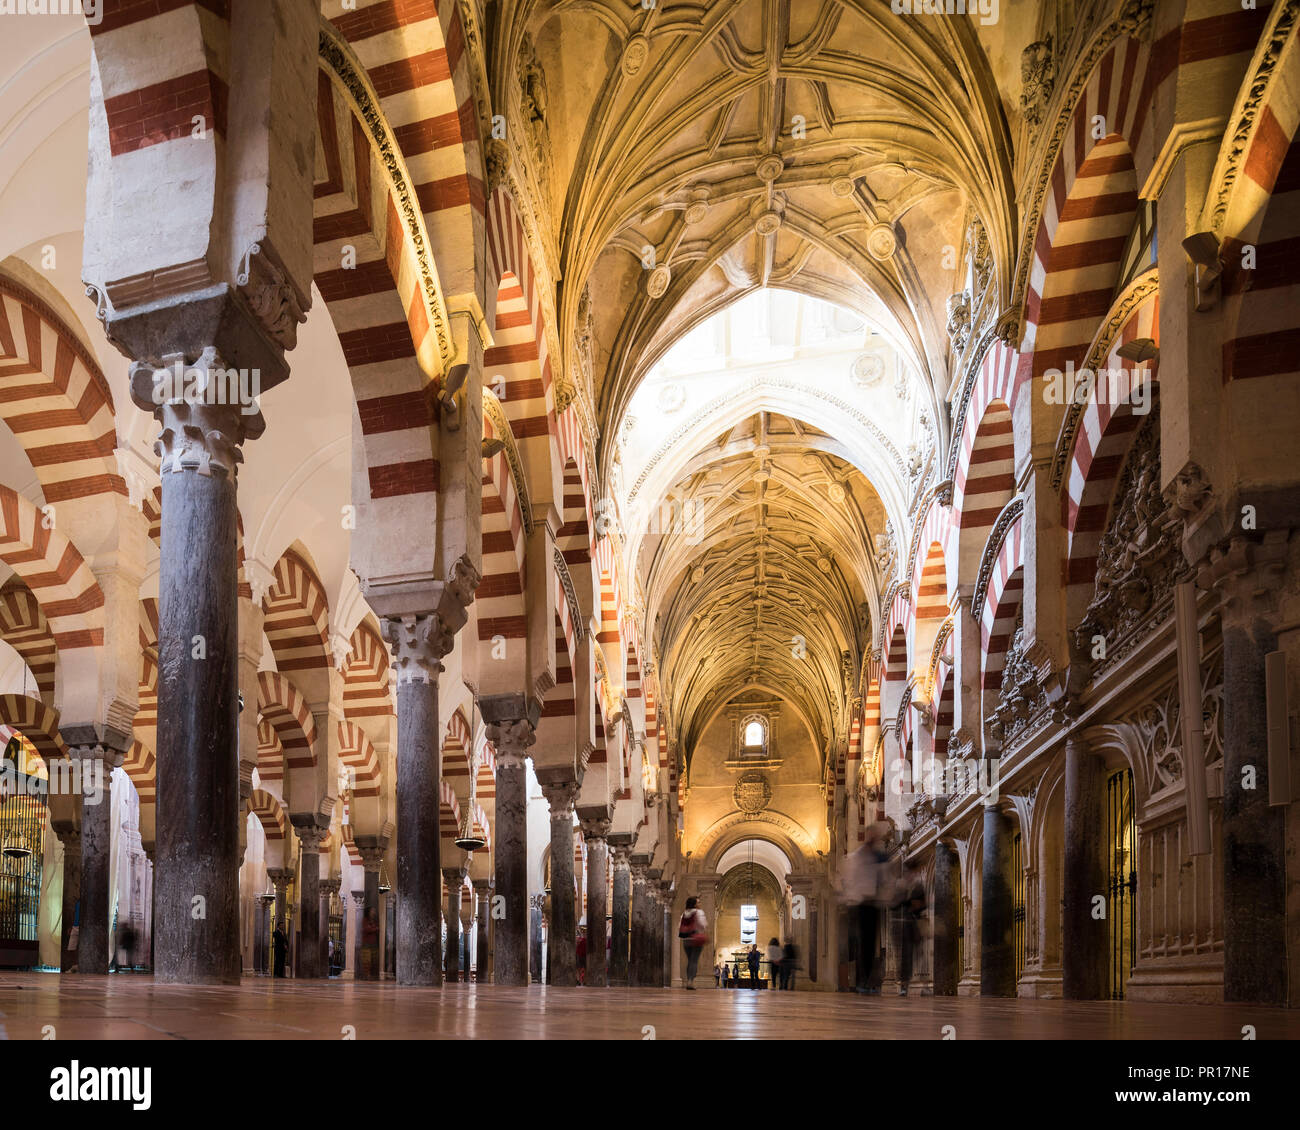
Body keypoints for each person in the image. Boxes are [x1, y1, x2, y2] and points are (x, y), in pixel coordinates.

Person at [837, 823, 888, 994]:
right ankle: (861, 983)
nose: (875, 838)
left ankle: (866, 982)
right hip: (859, 905)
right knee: (862, 944)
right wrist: (848, 898)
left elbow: (882, 876)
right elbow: (849, 879)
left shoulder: (876, 856)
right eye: (873, 835)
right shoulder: (857, 857)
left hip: (872, 904)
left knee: (869, 944)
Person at [893, 859, 927, 996]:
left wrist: (914, 904)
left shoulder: (918, 885)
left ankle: (924, 984)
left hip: (914, 923)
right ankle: (904, 985)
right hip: (903, 924)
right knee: (905, 956)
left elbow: (923, 904)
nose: (912, 873)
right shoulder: (901, 885)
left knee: (919, 954)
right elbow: (894, 904)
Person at [677, 896, 709, 989]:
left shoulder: (684, 913)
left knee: (690, 960)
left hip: (686, 940)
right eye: (698, 902)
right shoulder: (699, 912)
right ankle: (691, 981)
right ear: (694, 904)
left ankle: (688, 981)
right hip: (696, 938)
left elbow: (679, 926)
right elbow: (703, 924)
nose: (700, 904)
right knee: (694, 961)